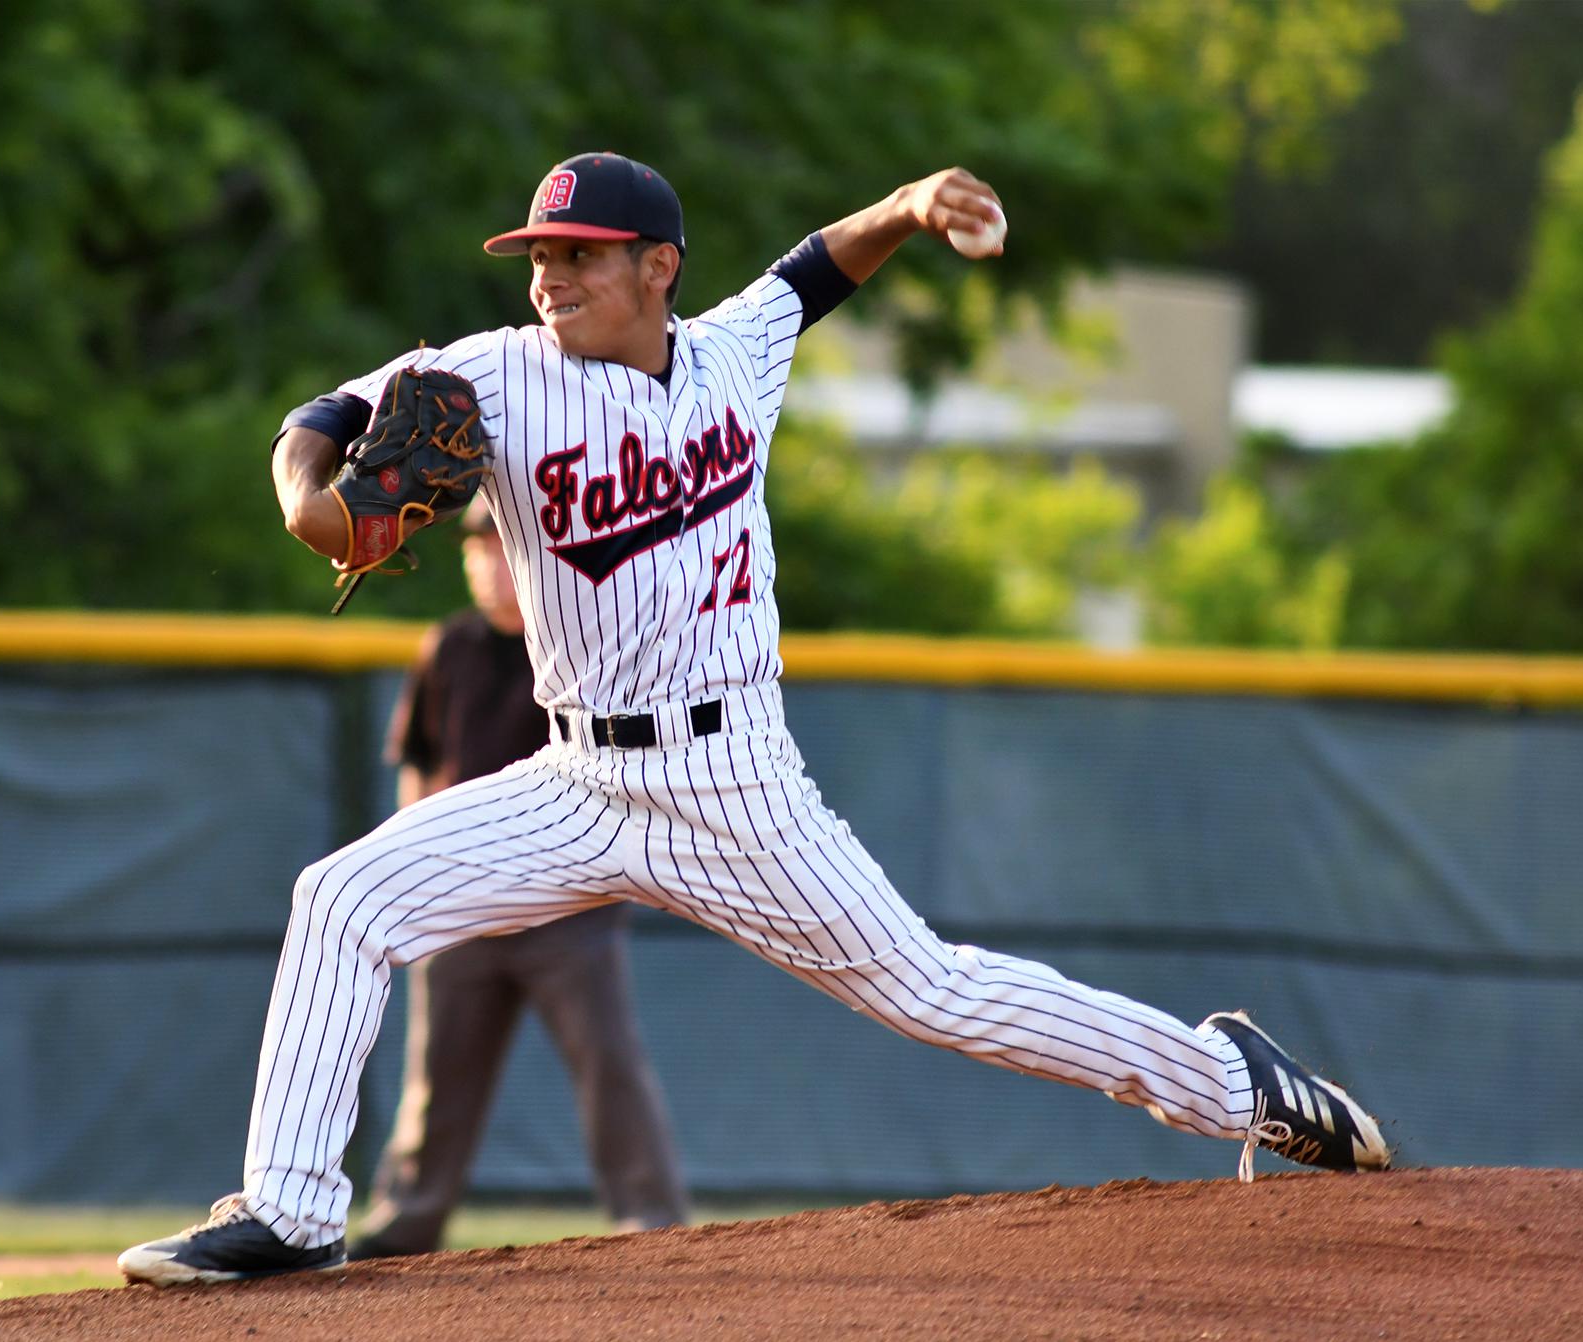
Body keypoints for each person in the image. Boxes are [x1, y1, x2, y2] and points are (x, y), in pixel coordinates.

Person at [120, 152, 1389, 1287]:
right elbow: (321, 421)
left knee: (934, 991)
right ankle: (289, 1213)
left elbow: (814, 270)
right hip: (575, 781)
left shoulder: (735, 349)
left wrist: (905, 205)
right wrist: (307, 497)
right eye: (539, 255)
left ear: (657, 266)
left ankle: (1236, 1084)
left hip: (738, 786)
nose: (550, 276)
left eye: (579, 255)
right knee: (342, 901)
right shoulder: (493, 376)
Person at [349, 495, 687, 1259]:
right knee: (436, 1079)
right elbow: (424, 770)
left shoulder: (579, 644)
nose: (491, 569)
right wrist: (422, 873)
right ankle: (409, 1218)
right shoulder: (450, 647)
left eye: (503, 550)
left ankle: (650, 1217)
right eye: (477, 553)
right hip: (466, 901)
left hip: (568, 906)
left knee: (608, 1064)